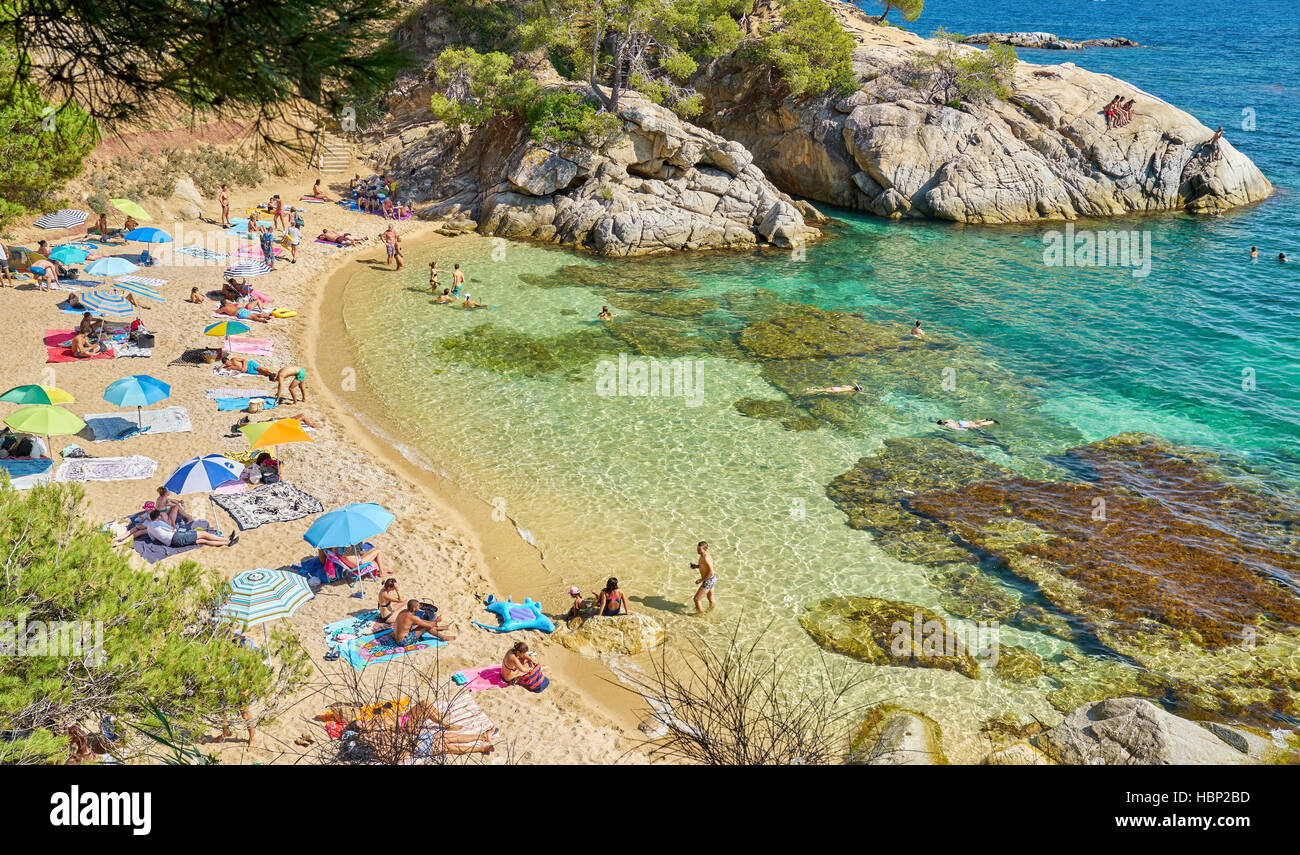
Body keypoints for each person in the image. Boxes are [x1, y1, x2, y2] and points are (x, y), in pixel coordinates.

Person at [120, 508, 235, 548]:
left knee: (202, 540)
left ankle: (225, 541)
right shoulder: (159, 523)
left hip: (172, 543)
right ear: (158, 517)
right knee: (203, 534)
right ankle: (227, 540)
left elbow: (154, 539)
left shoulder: (149, 527)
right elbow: (172, 529)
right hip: (176, 538)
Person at [391, 599, 457, 643]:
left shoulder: (403, 612)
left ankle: (445, 627)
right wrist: (437, 621)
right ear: (414, 608)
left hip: (396, 637)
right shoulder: (412, 617)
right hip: (403, 641)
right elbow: (429, 625)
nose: (419, 607)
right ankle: (443, 637)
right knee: (425, 627)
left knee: (423, 624)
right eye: (418, 606)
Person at [690, 541, 716, 614]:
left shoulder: (706, 558)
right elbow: (703, 565)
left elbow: (711, 572)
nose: (698, 551)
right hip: (711, 579)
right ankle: (711, 611)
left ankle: (700, 615)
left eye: (699, 550)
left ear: (705, 549)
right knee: (710, 598)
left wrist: (701, 580)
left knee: (696, 599)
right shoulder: (702, 555)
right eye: (697, 549)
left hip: (709, 579)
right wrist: (696, 566)